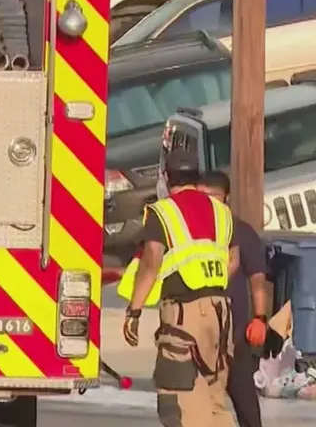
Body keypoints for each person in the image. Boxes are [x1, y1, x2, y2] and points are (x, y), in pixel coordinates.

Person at [116, 149, 239, 427]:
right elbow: (232, 261)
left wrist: (134, 310)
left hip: (184, 317)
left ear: (166, 178)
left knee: (178, 402)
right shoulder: (222, 212)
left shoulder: (163, 212)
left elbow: (151, 263)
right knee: (213, 401)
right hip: (221, 313)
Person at [197, 171, 268, 427]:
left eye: (212, 197)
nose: (207, 203)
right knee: (199, 399)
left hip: (234, 331)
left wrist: (260, 318)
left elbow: (257, 280)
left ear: (225, 198)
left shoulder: (242, 232)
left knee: (244, 398)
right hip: (198, 329)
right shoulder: (190, 230)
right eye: (201, 196)